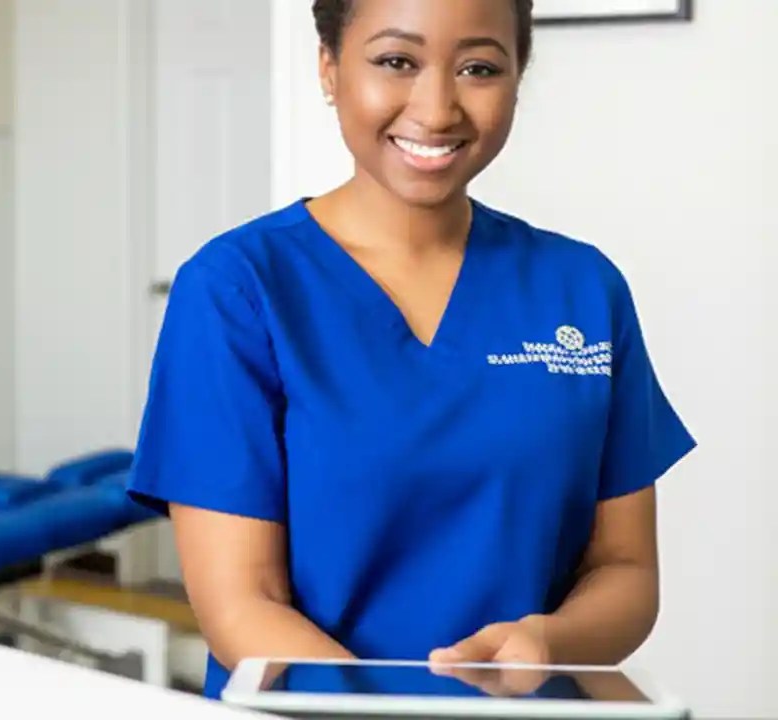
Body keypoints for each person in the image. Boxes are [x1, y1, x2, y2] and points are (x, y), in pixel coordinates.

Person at [125, 0, 696, 701]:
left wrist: (548, 643)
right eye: (397, 61)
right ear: (329, 68)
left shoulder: (583, 289)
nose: (437, 109)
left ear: (519, 77)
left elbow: (626, 570)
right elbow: (240, 606)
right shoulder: (238, 289)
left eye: (479, 68)